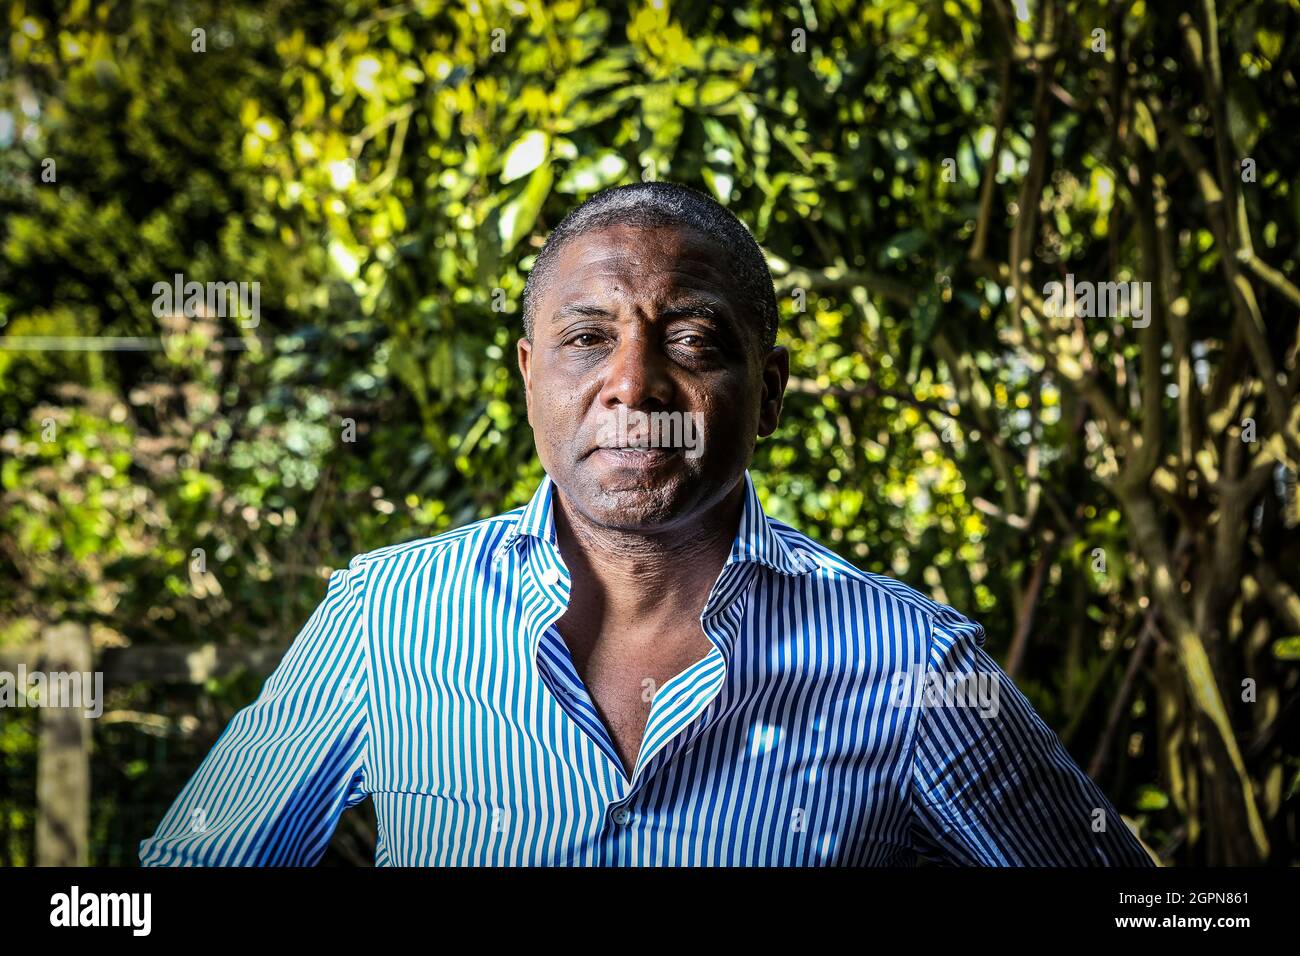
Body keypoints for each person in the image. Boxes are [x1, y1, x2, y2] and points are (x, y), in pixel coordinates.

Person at [139, 182, 1154, 866]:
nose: (632, 383)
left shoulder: (913, 662)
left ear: (769, 391)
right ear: (530, 375)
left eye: (692, 337)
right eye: (587, 337)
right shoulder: (387, 615)